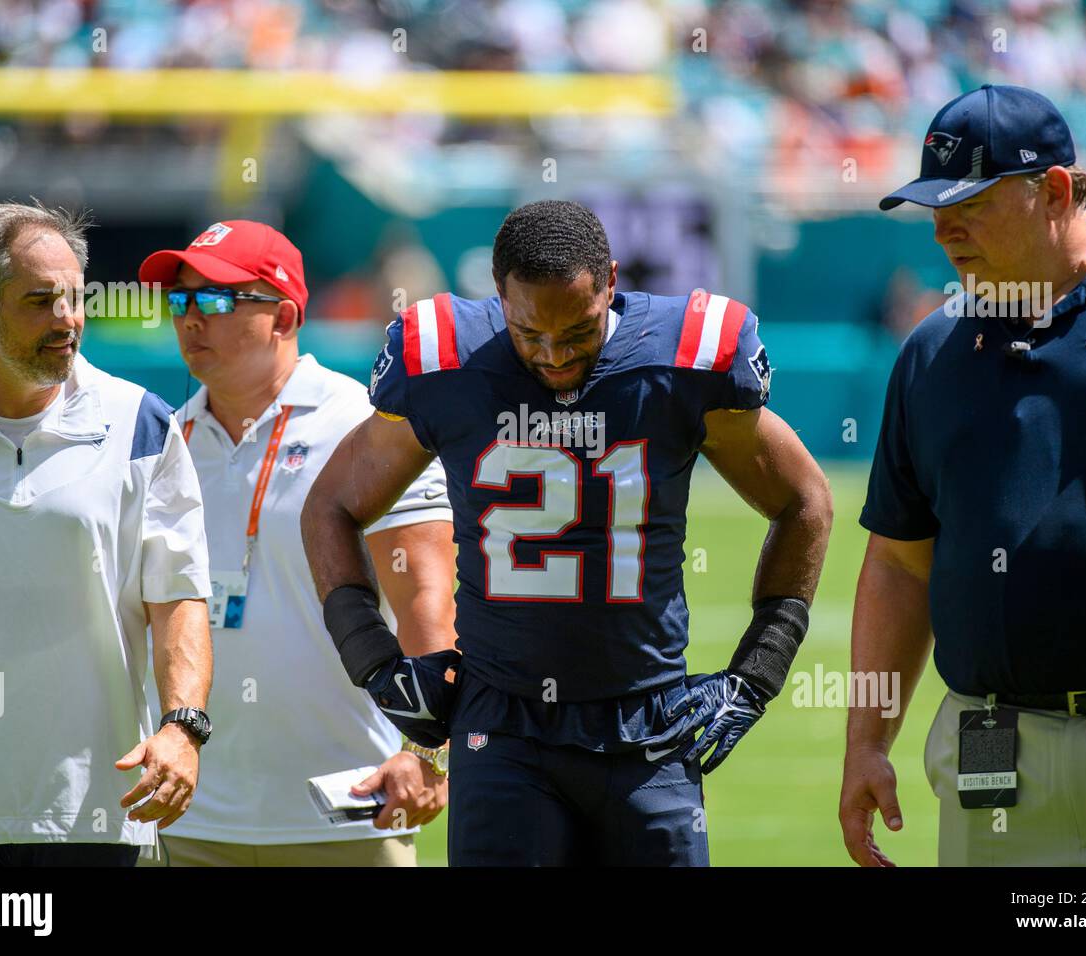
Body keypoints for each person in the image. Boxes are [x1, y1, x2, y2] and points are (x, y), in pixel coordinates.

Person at [301, 200, 833, 866]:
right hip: (501, 729)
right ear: (498, 296)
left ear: (611, 282)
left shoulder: (682, 360)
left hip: (650, 727)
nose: (554, 357)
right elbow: (331, 505)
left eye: (578, 332)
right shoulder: (445, 362)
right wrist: (376, 664)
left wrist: (757, 674)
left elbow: (805, 499)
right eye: (530, 334)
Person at [841, 84, 1086, 867]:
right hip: (988, 743)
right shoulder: (931, 350)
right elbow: (901, 565)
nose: (942, 229)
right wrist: (867, 742)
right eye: (934, 205)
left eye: (970, 203)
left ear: (1058, 191)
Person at [0, 201, 213, 866]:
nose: (67, 319)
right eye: (41, 301)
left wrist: (183, 726)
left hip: (93, 812)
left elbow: (179, 595)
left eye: (74, 298)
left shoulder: (140, 424)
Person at [137, 221, 457, 867]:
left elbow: (427, 590)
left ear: (283, 315)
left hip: (349, 812)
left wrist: (426, 750)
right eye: (180, 300)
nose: (191, 318)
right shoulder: (164, 438)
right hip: (192, 812)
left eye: (217, 299)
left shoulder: (365, 424)